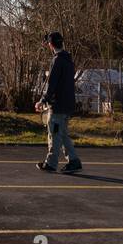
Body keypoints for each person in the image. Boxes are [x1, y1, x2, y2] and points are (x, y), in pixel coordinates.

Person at [35, 32, 82, 174]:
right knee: (62, 134)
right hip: (68, 104)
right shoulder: (68, 60)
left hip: (58, 106)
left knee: (54, 133)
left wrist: (43, 100)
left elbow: (52, 84)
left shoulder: (57, 60)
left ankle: (51, 163)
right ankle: (74, 161)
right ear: (61, 43)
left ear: (50, 45)